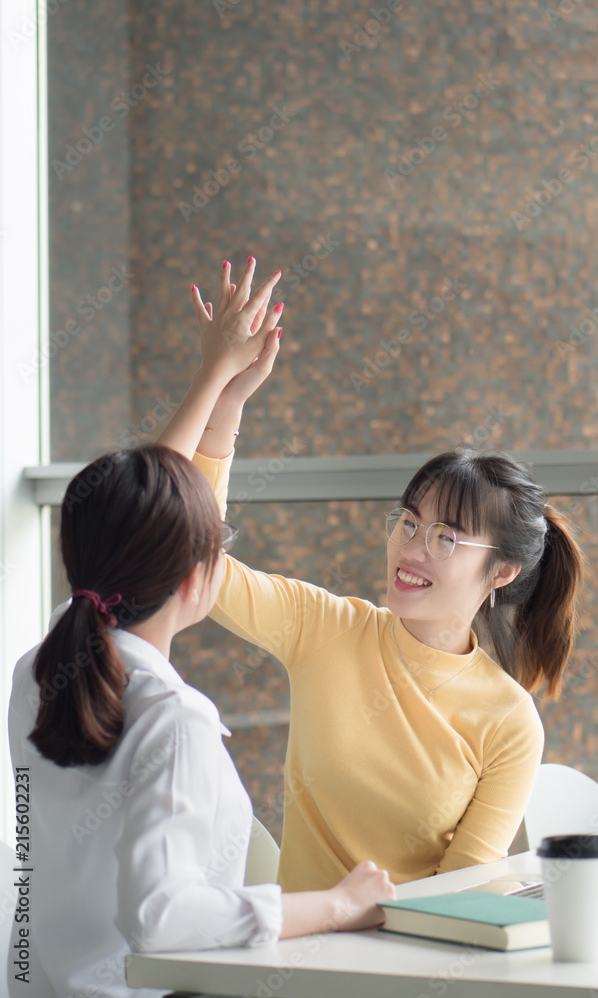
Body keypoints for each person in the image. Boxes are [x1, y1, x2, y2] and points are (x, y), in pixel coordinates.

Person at [6, 266, 394, 998]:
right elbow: (162, 918)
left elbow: (134, 511)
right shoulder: (171, 718)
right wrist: (336, 906)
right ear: (195, 581)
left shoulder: (41, 666)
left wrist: (222, 389)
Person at [158, 255, 584, 893]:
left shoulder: (510, 721)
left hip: (416, 951)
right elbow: (197, 559)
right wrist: (225, 398)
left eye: (445, 537)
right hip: (300, 943)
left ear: (501, 571)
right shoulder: (327, 628)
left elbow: (460, 893)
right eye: (408, 522)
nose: (411, 549)